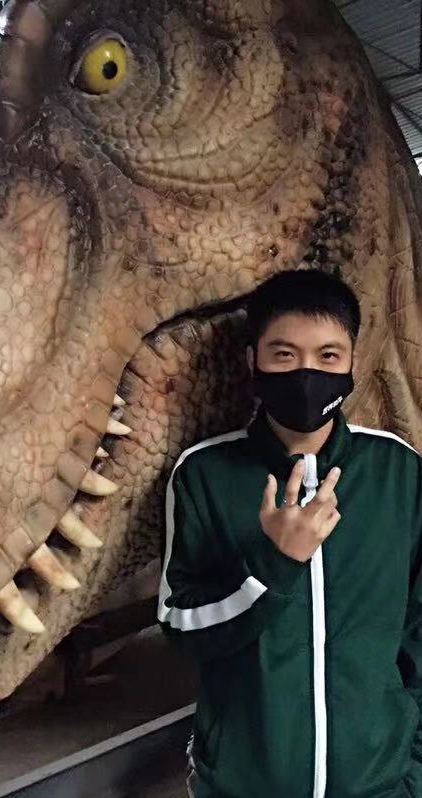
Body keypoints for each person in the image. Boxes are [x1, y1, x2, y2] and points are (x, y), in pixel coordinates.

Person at [157, 269, 422, 798]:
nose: (307, 374)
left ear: (351, 362)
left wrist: (412, 769)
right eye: (284, 355)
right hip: (245, 784)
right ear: (251, 359)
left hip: (380, 783)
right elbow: (182, 625)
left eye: (328, 356)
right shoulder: (204, 473)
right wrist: (273, 565)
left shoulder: (397, 470)